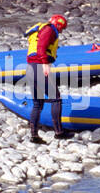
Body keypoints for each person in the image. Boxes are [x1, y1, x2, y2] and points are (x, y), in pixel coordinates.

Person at [25, 14, 70, 144]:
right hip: (39, 67)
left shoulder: (41, 29)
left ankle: (34, 136)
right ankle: (59, 132)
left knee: (38, 104)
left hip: (30, 67)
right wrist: (45, 64)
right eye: (62, 28)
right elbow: (41, 47)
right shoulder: (49, 30)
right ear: (58, 24)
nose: (61, 31)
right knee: (56, 98)